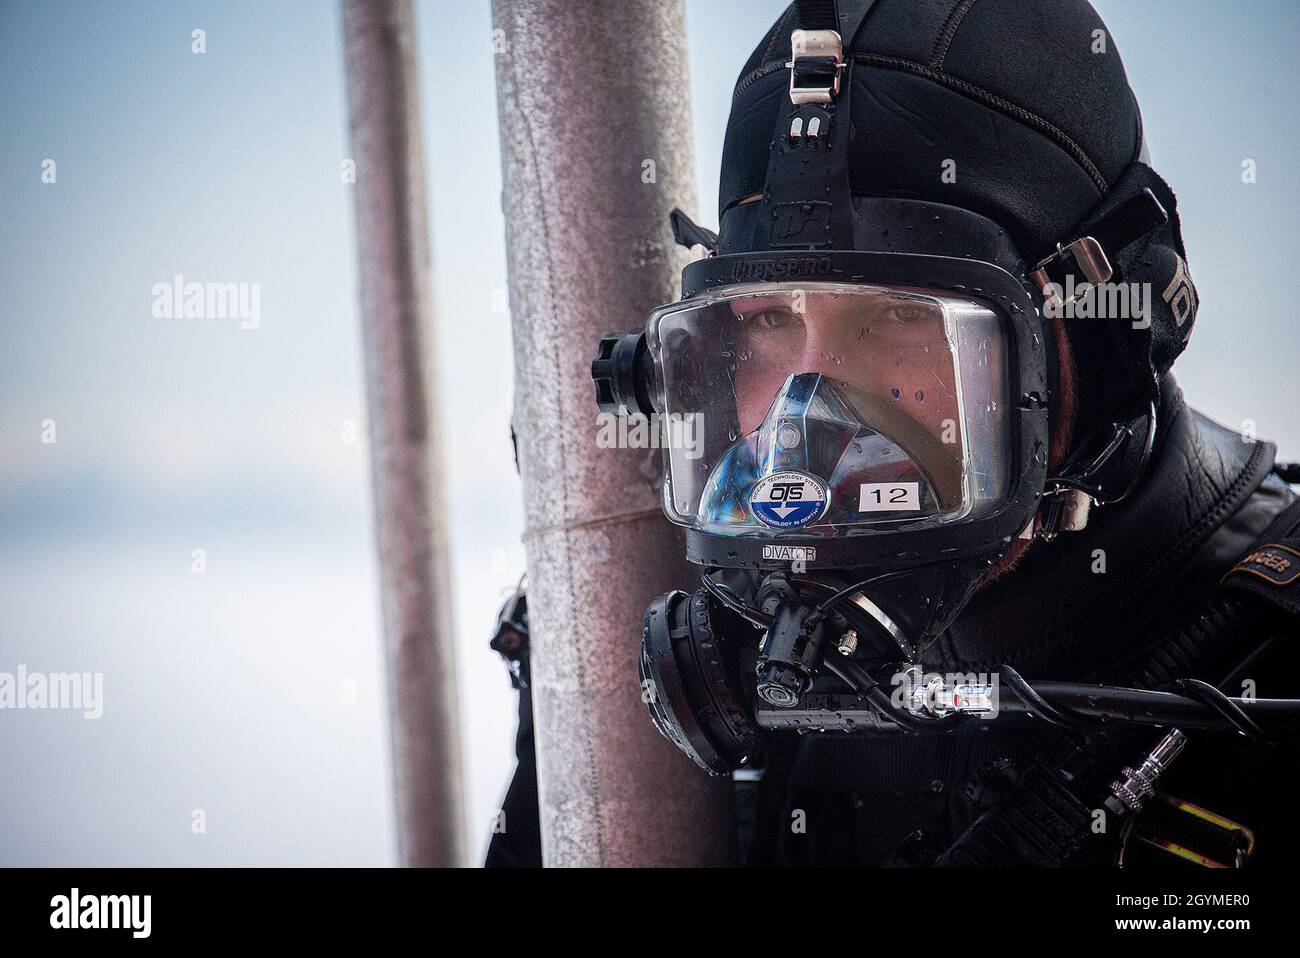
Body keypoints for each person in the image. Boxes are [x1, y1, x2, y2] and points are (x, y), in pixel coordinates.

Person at [490, 0, 1300, 868]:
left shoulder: (1267, 673)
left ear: (1106, 338)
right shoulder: (703, 659)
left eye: (892, 327)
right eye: (765, 324)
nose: (811, 424)